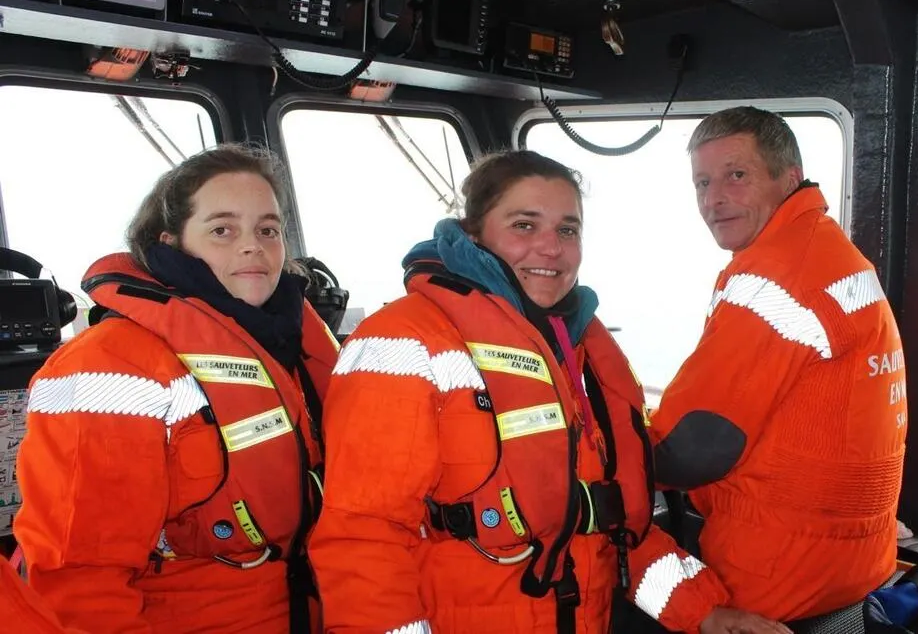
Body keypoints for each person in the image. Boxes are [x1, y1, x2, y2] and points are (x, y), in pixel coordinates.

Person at [309, 149, 791, 634]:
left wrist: (706, 613)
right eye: (524, 225)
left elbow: (608, 524)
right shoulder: (403, 342)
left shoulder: (574, 351)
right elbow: (362, 538)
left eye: (567, 229)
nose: (551, 248)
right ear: (474, 233)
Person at [14, 144, 340, 633]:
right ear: (171, 243)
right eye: (222, 230)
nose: (252, 246)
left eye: (268, 230)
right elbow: (79, 583)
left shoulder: (287, 346)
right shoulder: (109, 366)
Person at [650, 106, 908, 622]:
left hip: (775, 580)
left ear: (788, 176)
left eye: (736, 175)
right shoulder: (830, 253)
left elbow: (688, 452)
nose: (713, 198)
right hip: (851, 565)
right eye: (702, 182)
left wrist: (598, 454)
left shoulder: (775, 278)